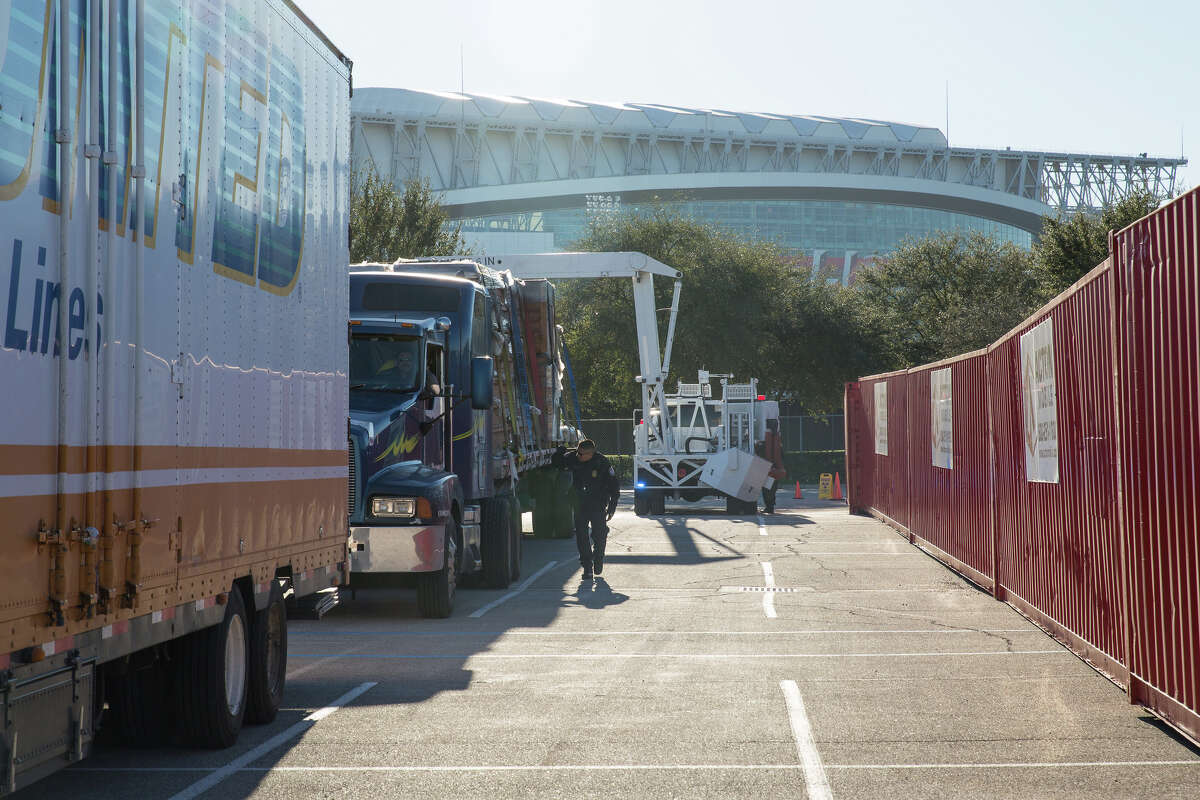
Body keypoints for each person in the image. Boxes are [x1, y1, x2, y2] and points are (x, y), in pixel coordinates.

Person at [554, 439, 620, 579]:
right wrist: (559, 453)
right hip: (579, 505)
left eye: (582, 454)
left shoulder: (602, 462)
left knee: (599, 535)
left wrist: (613, 506)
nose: (579, 456)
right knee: (581, 536)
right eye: (578, 452)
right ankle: (587, 567)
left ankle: (598, 559)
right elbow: (558, 464)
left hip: (598, 504)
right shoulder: (573, 458)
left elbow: (614, 485)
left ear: (591, 453)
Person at [758, 418, 786, 513]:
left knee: (767, 490)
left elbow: (760, 453)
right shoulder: (777, 441)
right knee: (772, 489)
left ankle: (769, 507)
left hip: (768, 470)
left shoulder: (765, 441)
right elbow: (781, 455)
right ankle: (771, 506)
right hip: (776, 469)